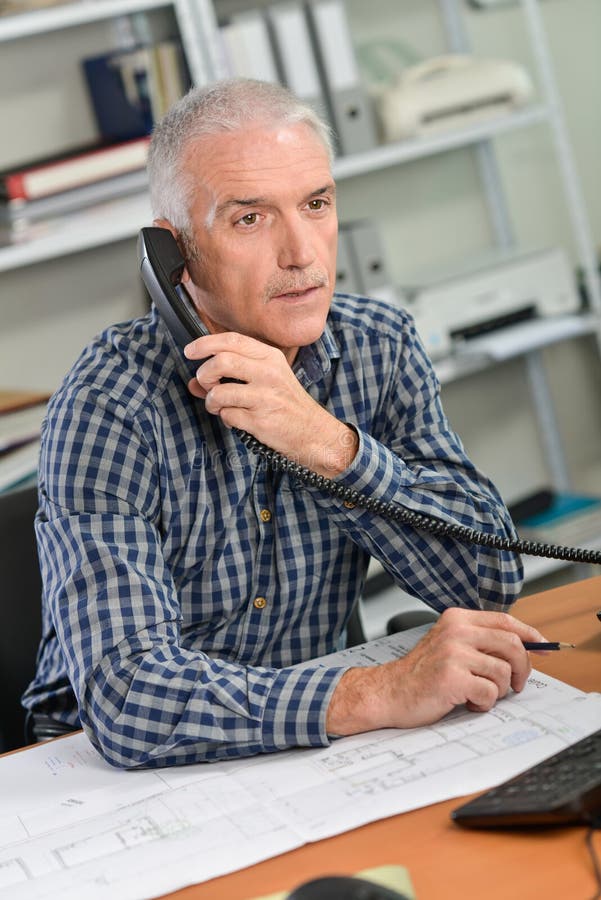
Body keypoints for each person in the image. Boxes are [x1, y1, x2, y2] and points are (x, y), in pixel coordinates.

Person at [24, 78, 544, 769]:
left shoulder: (376, 347)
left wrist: (326, 443)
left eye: (316, 204)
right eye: (250, 219)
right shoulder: (110, 406)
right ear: (172, 255)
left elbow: (485, 582)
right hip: (90, 774)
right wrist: (374, 692)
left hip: (306, 750)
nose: (302, 253)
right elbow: (128, 702)